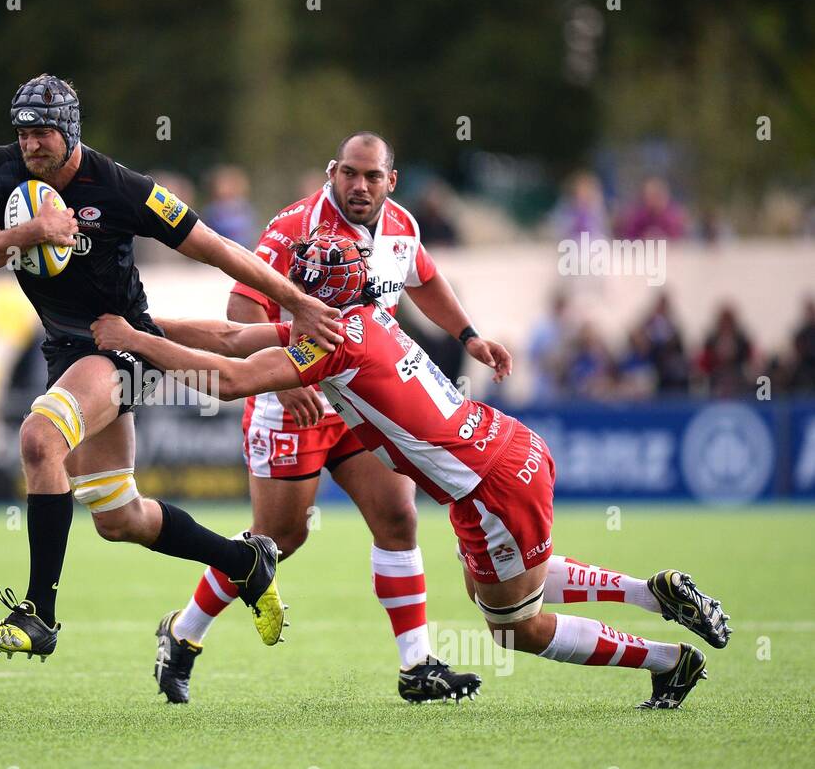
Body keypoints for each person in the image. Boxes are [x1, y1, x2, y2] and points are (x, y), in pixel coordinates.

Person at [92, 231, 732, 709]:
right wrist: (146, 323)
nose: (296, 291)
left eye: (303, 284)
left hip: (488, 486)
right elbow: (234, 340)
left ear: (323, 291)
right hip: (508, 449)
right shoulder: (365, 314)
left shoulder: (328, 340)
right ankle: (653, 593)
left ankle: (666, 661)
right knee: (503, 589)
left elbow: (231, 378)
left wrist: (135, 339)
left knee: (515, 628)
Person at [0, 74, 342, 661]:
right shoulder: (0, 169)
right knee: (119, 518)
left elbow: (218, 249)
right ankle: (244, 560)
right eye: (25, 133)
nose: (32, 144)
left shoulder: (120, 188)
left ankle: (39, 615)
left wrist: (297, 301)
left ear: (71, 131)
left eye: (44, 134)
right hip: (65, 348)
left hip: (120, 345)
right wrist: (31, 231)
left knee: (38, 438)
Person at [156, 131, 510, 704]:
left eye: (372, 176)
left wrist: (468, 336)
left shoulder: (402, 226)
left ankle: (416, 664)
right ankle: (182, 634)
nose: (360, 185)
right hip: (293, 398)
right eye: (349, 173)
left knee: (398, 517)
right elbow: (240, 308)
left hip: (364, 400)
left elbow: (426, 278)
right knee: (279, 539)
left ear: (391, 182)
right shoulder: (294, 226)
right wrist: (292, 380)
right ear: (332, 172)